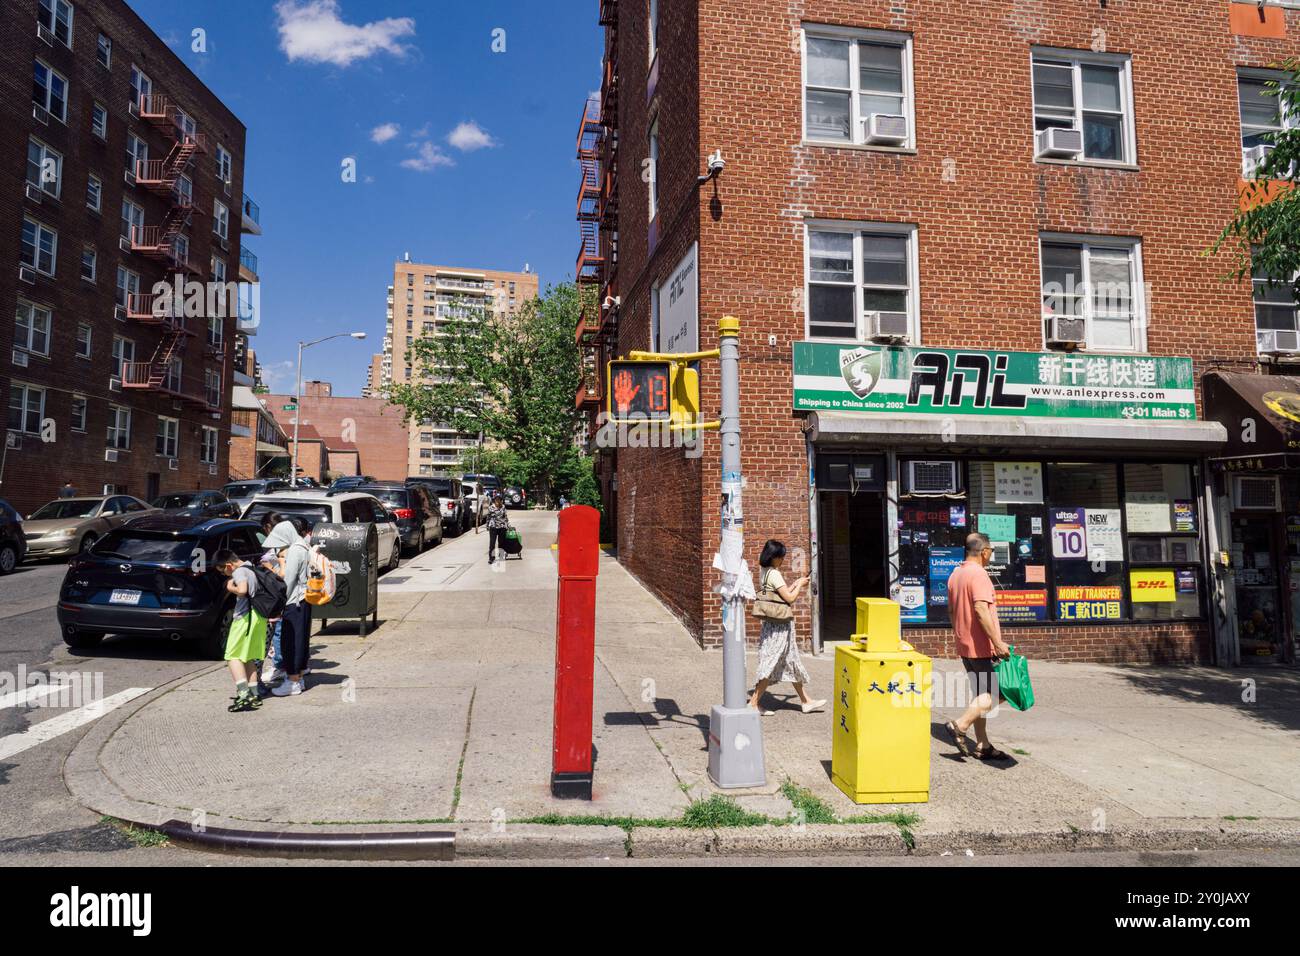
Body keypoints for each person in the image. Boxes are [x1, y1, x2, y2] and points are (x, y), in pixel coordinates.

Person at [944, 532, 1013, 761]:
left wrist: (960, 634)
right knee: (997, 693)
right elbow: (981, 611)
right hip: (981, 645)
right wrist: (997, 642)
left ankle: (982, 745)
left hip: (965, 644)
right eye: (991, 551)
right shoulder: (979, 575)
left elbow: (952, 611)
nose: (991, 555)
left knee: (980, 694)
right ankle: (959, 725)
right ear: (984, 551)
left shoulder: (956, 574)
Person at [747, 539, 826, 715]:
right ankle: (753, 703)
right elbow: (790, 599)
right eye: (781, 557)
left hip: (773, 624)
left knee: (791, 661)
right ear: (774, 557)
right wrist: (799, 585)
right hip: (779, 626)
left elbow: (781, 595)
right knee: (771, 662)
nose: (782, 560)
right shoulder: (774, 574)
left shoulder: (764, 571)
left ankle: (806, 701)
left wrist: (796, 583)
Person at [263, 520, 312, 697]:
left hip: (294, 602)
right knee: (299, 640)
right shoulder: (302, 546)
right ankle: (297, 678)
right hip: (303, 600)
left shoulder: (295, 550)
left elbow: (288, 580)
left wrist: (279, 603)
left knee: (290, 642)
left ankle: (292, 682)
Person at [215, 549, 267, 713]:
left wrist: (231, 588)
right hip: (258, 617)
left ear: (229, 565)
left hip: (244, 618)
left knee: (232, 655)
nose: (224, 574)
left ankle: (243, 695)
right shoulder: (251, 567)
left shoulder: (239, 572)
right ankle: (254, 694)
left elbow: (243, 590)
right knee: (248, 657)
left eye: (223, 570)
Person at [257, 513, 286, 686]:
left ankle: (279, 667)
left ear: (268, 526)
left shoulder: (282, 544)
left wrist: (268, 566)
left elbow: (284, 573)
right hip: (283, 594)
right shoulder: (285, 541)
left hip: (281, 593)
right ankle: (286, 666)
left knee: (278, 631)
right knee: (281, 631)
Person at [485, 490, 510, 564]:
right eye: (496, 499)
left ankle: (501, 556)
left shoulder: (503, 507)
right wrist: (487, 526)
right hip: (493, 527)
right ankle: (491, 558)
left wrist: (508, 526)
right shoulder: (491, 508)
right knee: (492, 543)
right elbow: (488, 517)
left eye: (499, 499)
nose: (498, 501)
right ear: (494, 500)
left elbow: (506, 518)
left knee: (501, 543)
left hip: (502, 527)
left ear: (501, 500)